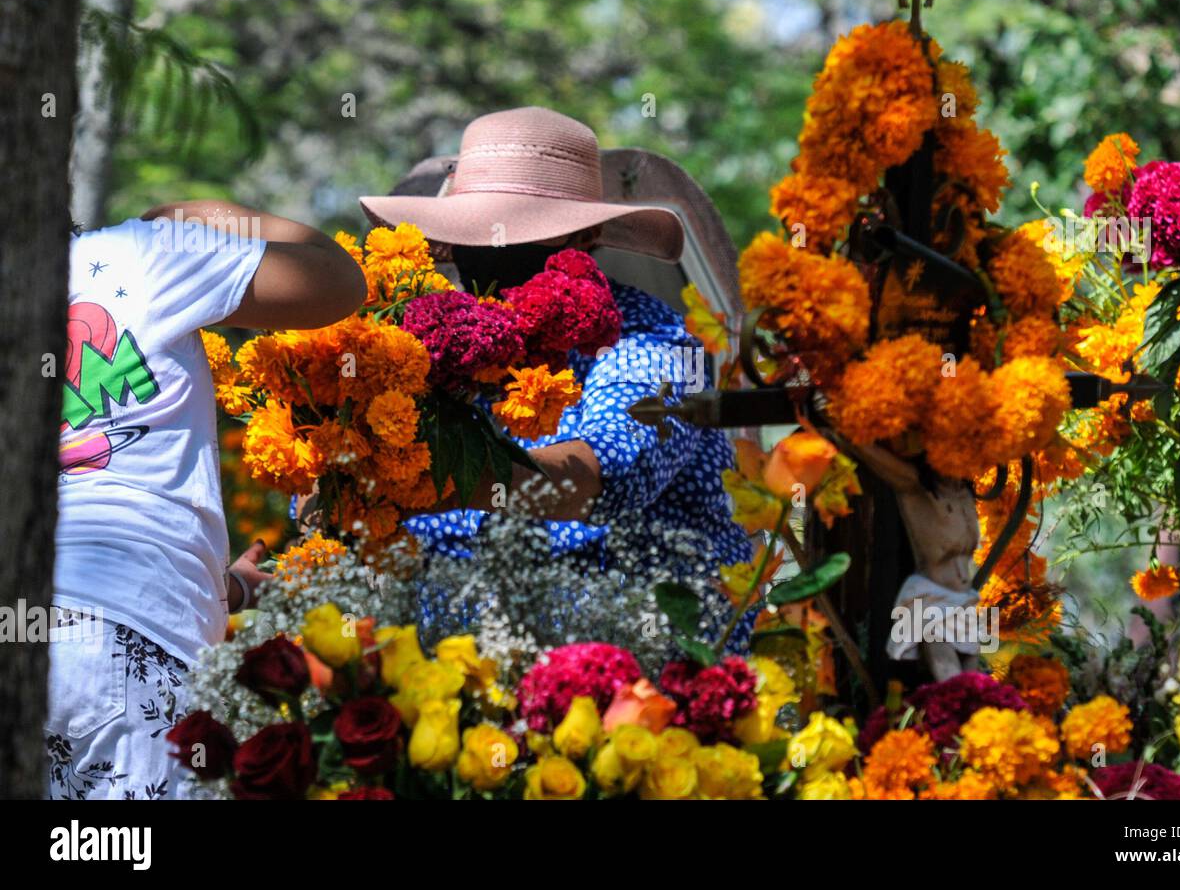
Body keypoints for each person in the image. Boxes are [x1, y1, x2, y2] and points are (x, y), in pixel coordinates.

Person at [359, 107, 752, 640]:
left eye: (526, 234)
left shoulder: (657, 343)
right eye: (474, 234)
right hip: (442, 673)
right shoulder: (421, 343)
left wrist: (422, 483)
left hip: (634, 668)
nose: (492, 252)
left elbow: (605, 473)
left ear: (586, 238)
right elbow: (337, 495)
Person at [49, 202, 365, 799]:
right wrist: (206, 214)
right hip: (129, 626)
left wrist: (226, 588)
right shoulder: (140, 252)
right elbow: (337, 280)